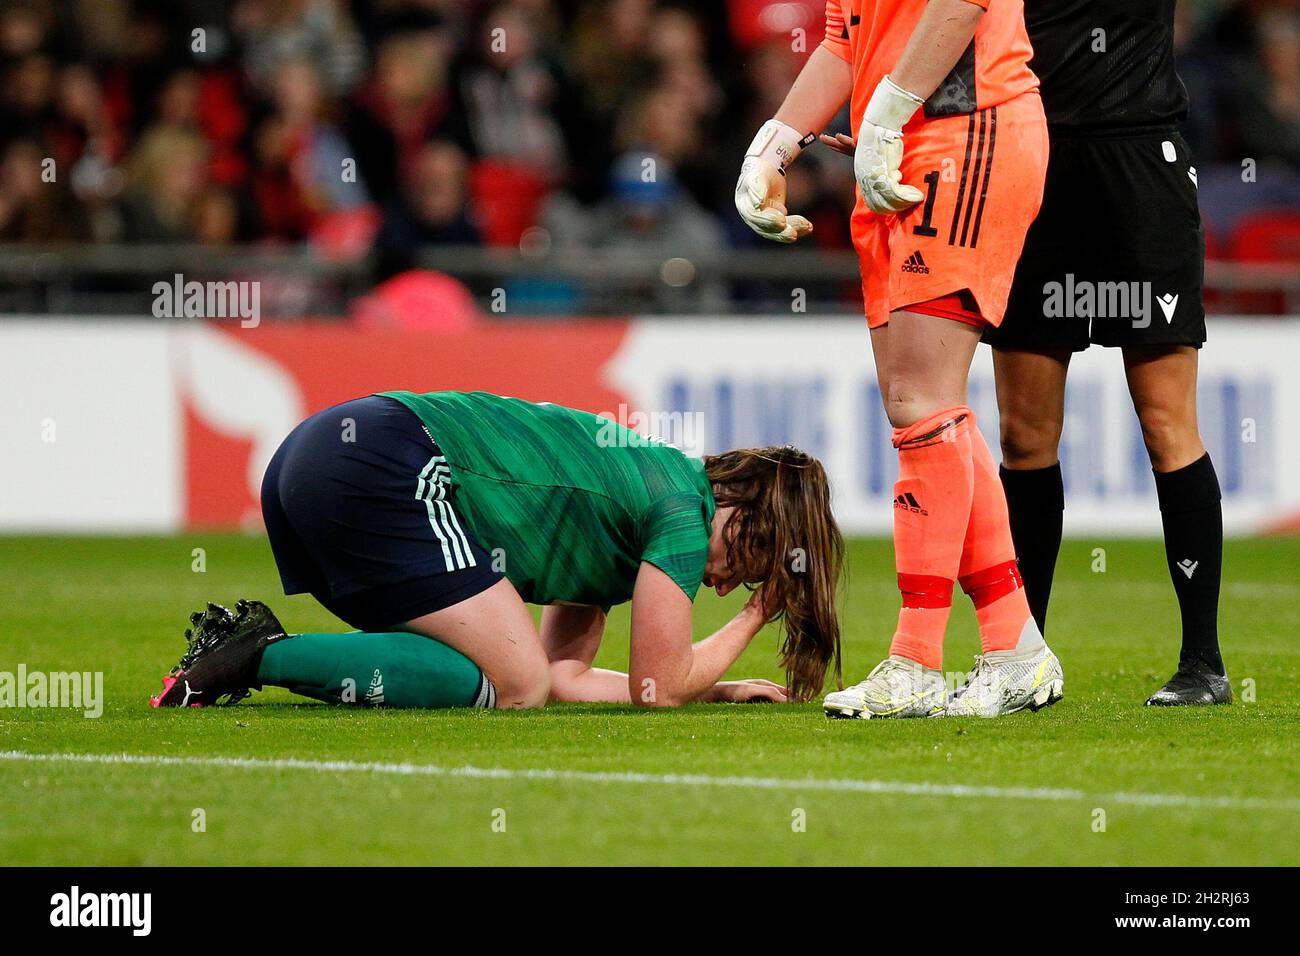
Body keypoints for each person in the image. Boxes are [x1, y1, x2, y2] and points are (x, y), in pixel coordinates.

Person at [734, 0, 1062, 718]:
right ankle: (1017, 649)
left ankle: (916, 659)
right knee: (926, 403)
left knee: (920, 396)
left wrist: (888, 111)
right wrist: (776, 144)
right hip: (903, 139)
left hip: (966, 130)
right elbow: (845, 40)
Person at [151, 391, 843, 711]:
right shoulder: (684, 510)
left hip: (320, 456)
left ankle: (246, 653)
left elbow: (567, 677)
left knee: (488, 674)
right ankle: (254, 652)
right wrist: (755, 618)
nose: (721, 587)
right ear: (742, 505)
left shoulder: (631, 511)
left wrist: (714, 687)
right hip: (386, 463)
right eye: (748, 564)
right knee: (516, 686)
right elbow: (656, 689)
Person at [983, 0, 1231, 706]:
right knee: (1024, 434)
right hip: (1035, 166)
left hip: (1139, 168)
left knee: (1164, 421)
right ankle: (1021, 658)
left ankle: (1203, 663)